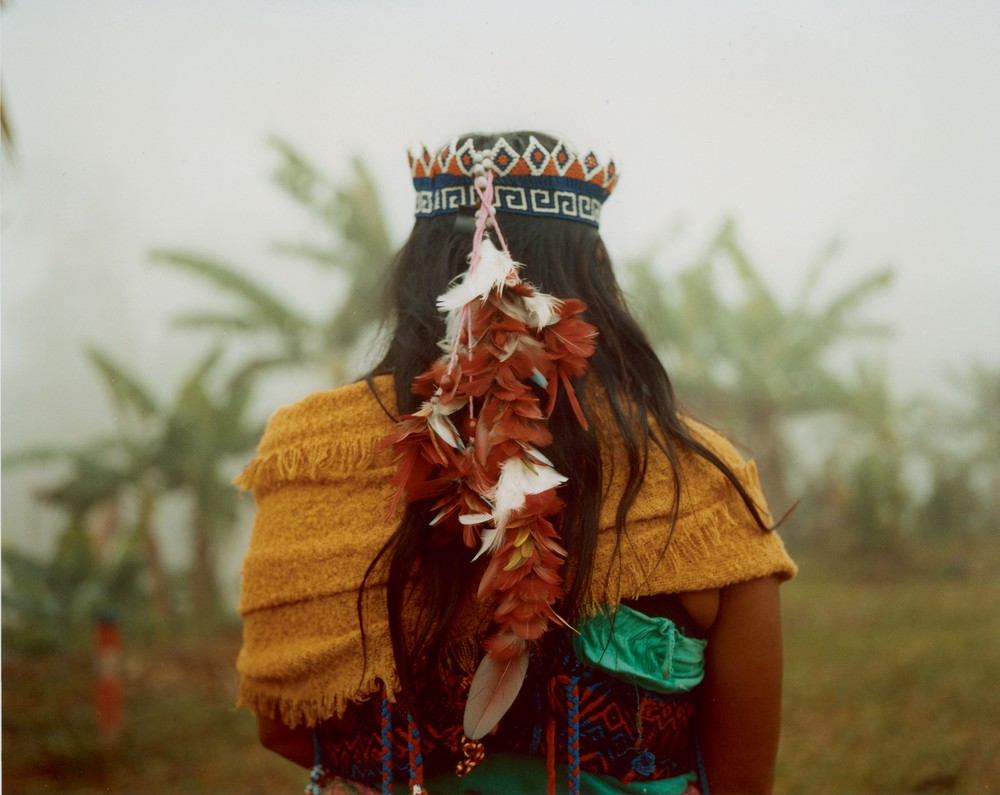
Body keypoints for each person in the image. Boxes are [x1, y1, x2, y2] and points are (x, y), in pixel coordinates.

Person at [235, 131, 797, 795]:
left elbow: (285, 727)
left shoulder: (309, 454)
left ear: (419, 273)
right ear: (592, 279)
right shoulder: (699, 480)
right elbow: (740, 779)